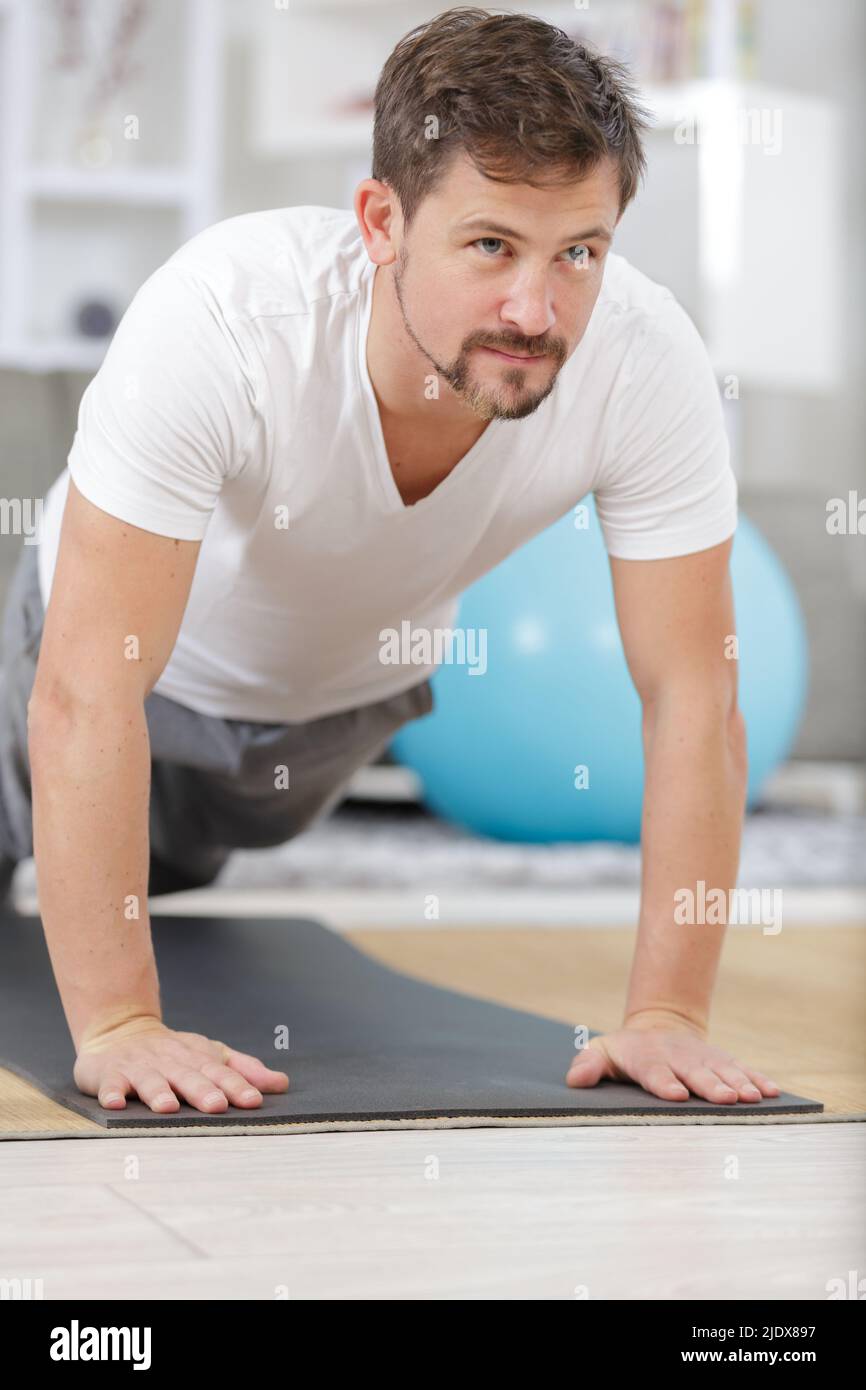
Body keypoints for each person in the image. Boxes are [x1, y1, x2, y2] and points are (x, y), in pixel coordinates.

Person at [0, 7, 780, 1116]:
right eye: (488, 246)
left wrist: (669, 1014)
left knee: (155, 881)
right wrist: (120, 1024)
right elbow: (85, 688)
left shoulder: (646, 367)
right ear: (379, 221)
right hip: (87, 677)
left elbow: (693, 694)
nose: (535, 308)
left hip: (315, 732)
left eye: (578, 253)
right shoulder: (225, 318)